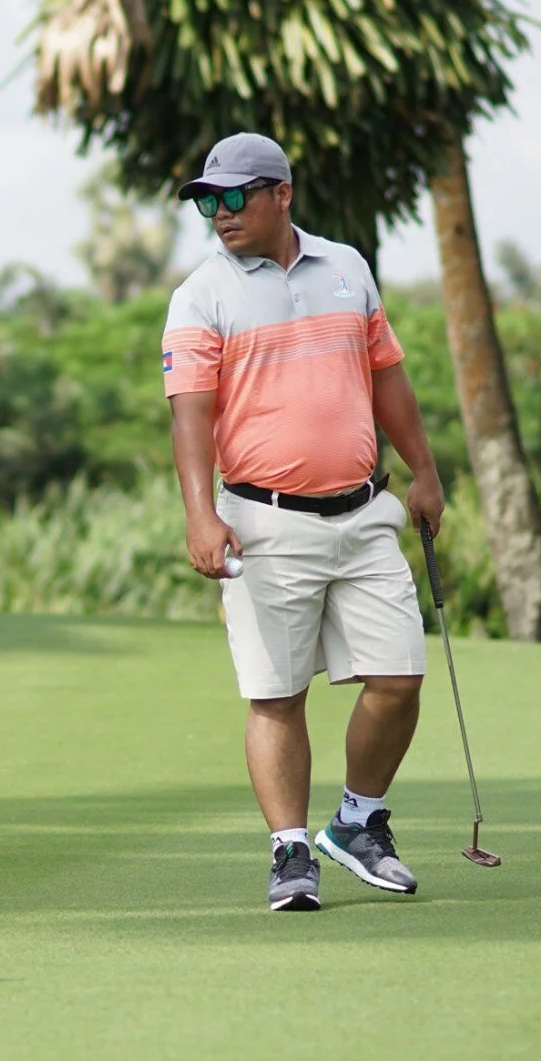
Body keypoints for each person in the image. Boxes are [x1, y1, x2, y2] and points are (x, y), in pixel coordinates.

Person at [162, 133, 446, 912]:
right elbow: (191, 417)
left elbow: (387, 376)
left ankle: (357, 820)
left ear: (281, 193)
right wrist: (200, 514)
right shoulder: (200, 295)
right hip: (263, 521)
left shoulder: (347, 268)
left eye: (234, 197)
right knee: (277, 694)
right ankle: (290, 850)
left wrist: (424, 470)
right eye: (207, 201)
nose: (219, 214)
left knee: (399, 678)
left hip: (364, 512)